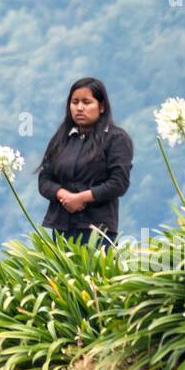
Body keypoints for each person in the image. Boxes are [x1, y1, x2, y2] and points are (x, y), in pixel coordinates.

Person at [36, 77, 134, 250]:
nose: (79, 107)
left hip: (98, 230)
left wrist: (80, 198)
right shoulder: (61, 138)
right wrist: (62, 194)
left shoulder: (116, 138)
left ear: (101, 106)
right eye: (75, 102)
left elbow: (119, 183)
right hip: (62, 228)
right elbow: (44, 180)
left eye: (87, 102)